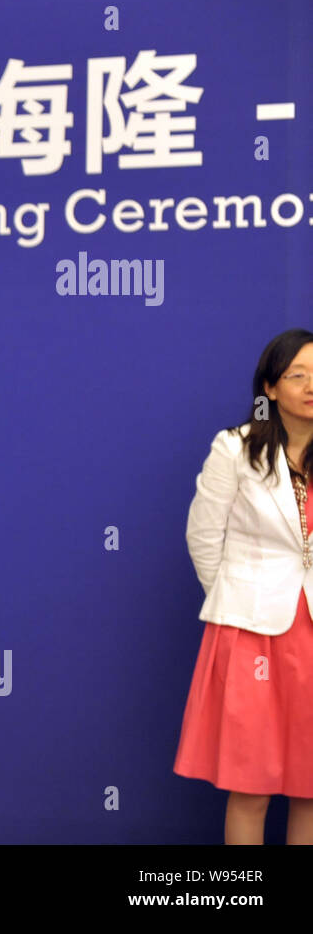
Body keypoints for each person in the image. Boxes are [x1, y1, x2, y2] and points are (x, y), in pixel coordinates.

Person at [177, 328, 313, 843]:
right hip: (252, 634)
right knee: (250, 785)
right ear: (270, 388)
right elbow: (203, 537)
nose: (310, 386)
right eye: (297, 375)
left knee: (310, 785)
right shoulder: (234, 448)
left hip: (312, 632)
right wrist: (239, 598)